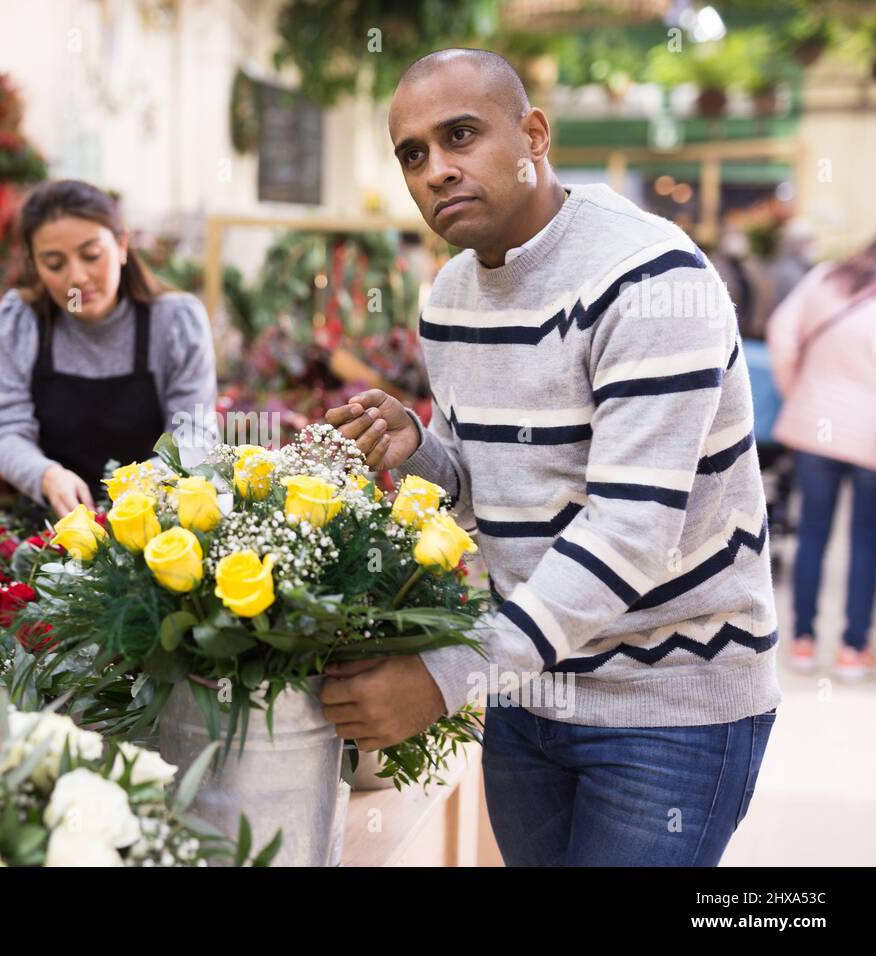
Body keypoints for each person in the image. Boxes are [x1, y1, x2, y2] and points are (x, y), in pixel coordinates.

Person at [322, 49, 780, 866]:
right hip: (529, 692)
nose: (437, 170)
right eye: (414, 154)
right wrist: (422, 451)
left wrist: (444, 676)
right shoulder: (452, 295)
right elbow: (486, 494)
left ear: (533, 133)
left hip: (668, 704)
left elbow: (630, 532)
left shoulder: (649, 278)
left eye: (460, 134)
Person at [0, 179, 218, 518]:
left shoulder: (175, 323)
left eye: (91, 255)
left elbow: (195, 433)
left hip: (156, 522)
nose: (76, 277)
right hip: (52, 526)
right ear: (34, 265)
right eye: (54, 263)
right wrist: (46, 476)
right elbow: (6, 430)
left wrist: (140, 487)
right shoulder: (20, 322)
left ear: (121, 245)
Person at [767, 236, 876, 681]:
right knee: (865, 542)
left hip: (817, 427)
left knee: (812, 533)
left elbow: (780, 332)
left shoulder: (824, 278)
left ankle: (803, 643)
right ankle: (852, 650)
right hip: (869, 435)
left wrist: (800, 392)